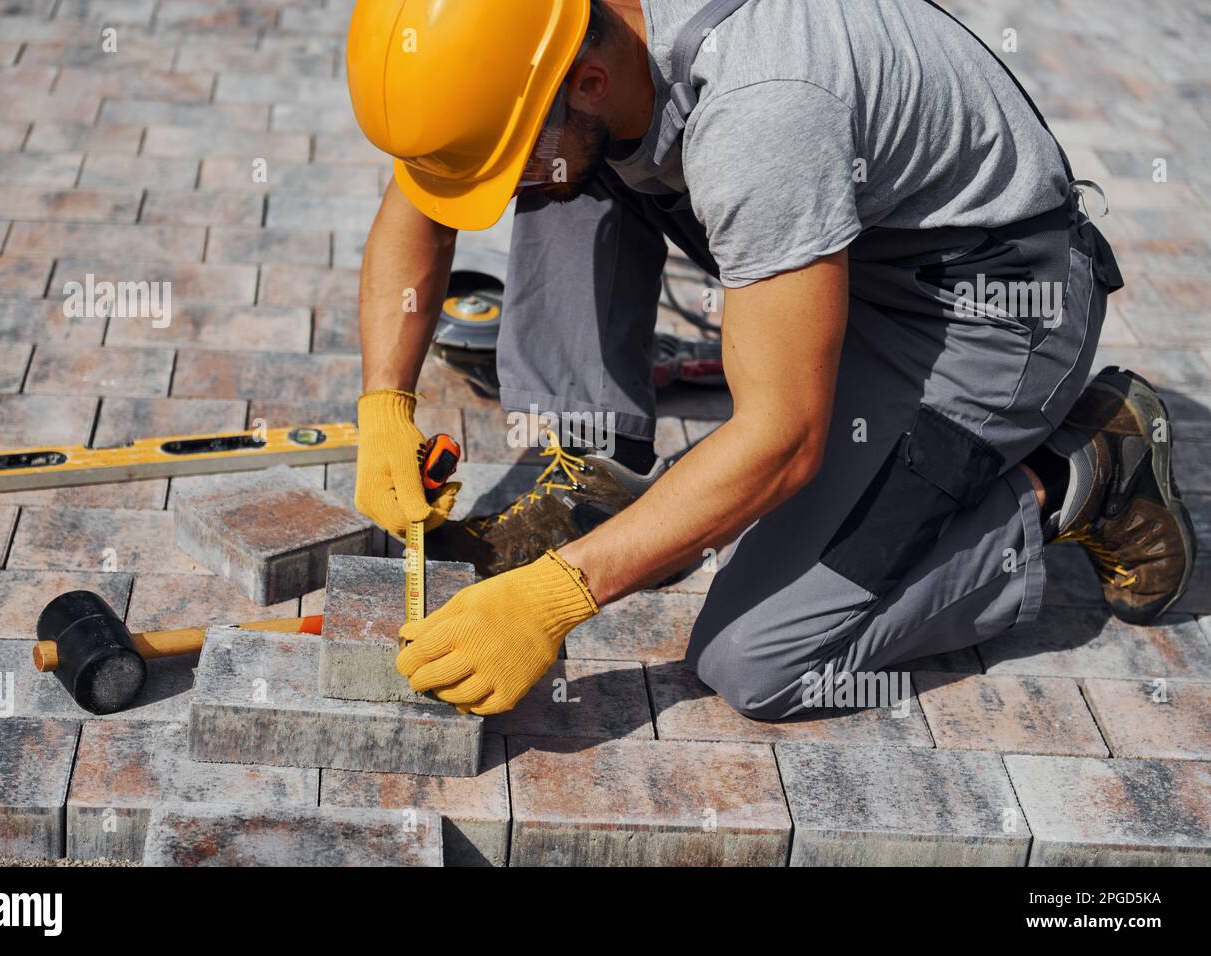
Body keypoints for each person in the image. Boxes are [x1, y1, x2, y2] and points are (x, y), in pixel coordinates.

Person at [345, 0, 1194, 718]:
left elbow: (784, 440)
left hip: (984, 308)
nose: (503, 200)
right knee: (568, 163)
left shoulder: (761, 112)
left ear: (592, 80)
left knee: (759, 658)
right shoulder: (552, 37)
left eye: (504, 174)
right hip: (838, 239)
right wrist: (384, 402)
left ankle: (1084, 469)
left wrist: (556, 597)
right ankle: (595, 475)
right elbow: (425, 192)